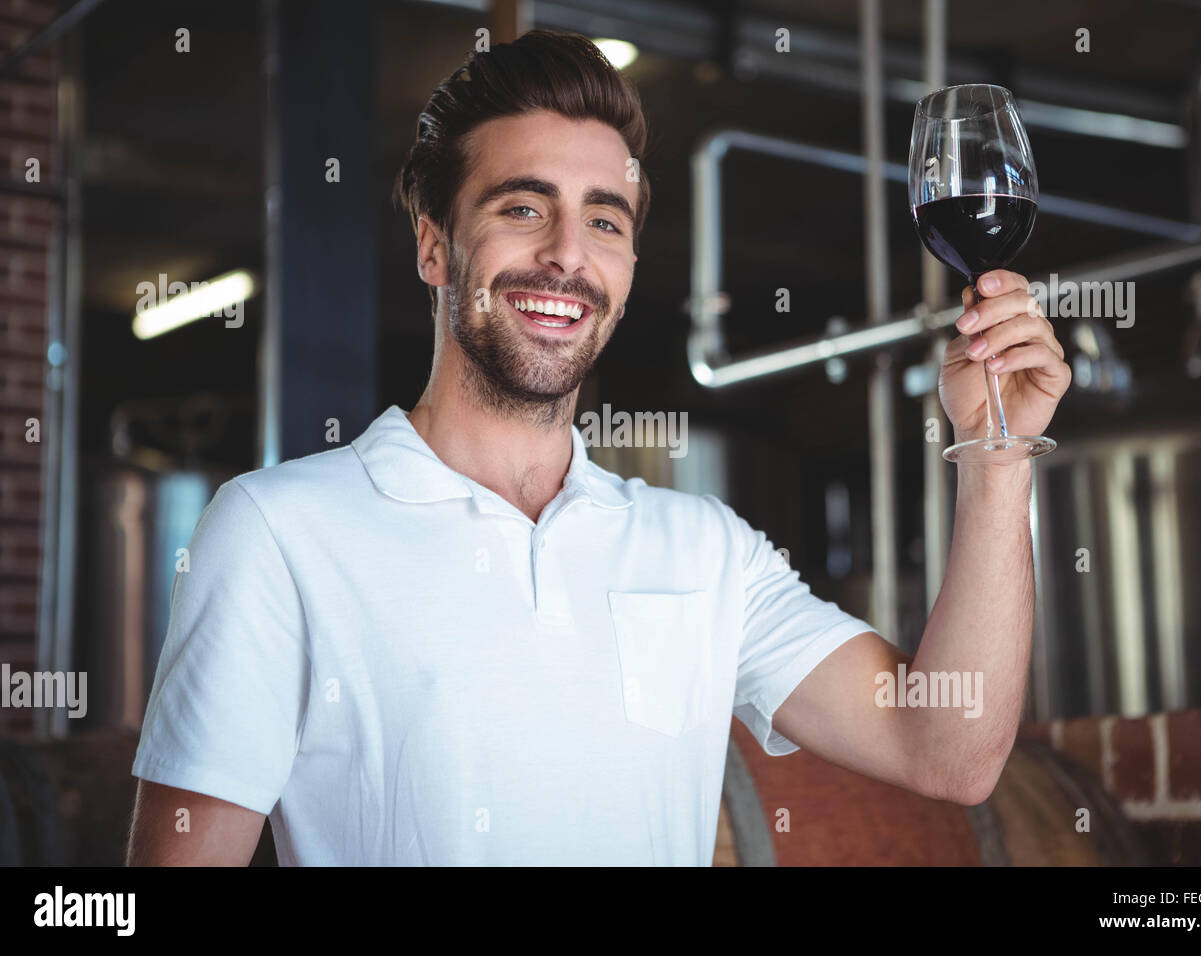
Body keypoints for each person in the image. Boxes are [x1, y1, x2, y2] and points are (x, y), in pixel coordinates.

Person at [127, 30, 1070, 866]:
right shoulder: (278, 532)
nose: (569, 254)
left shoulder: (706, 550)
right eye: (522, 208)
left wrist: (997, 454)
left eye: (605, 221)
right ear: (433, 247)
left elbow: (948, 750)